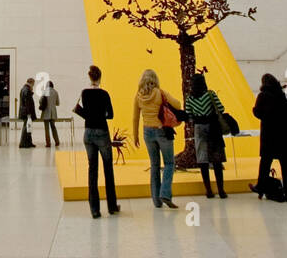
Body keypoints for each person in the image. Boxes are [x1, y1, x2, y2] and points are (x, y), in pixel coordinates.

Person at [73, 65, 119, 218]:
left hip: (88, 133)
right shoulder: (105, 94)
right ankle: (112, 206)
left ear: (90, 77)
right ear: (100, 77)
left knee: (92, 170)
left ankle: (94, 209)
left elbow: (85, 112)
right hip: (102, 132)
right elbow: (110, 115)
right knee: (108, 169)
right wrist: (101, 113)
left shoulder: (84, 93)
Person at [131, 69, 182, 209]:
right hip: (162, 131)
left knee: (154, 165)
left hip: (147, 132)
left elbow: (135, 118)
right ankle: (165, 193)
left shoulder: (138, 96)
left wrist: (135, 136)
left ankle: (156, 200)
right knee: (169, 163)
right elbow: (177, 105)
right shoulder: (160, 93)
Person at [250, 73, 287, 202]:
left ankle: (261, 186)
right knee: (286, 164)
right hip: (285, 135)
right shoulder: (284, 96)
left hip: (269, 135)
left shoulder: (263, 96)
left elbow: (258, 112)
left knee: (265, 162)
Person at [186, 71, 228, 198]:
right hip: (213, 127)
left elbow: (189, 115)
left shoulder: (190, 98)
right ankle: (221, 190)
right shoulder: (210, 94)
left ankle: (208, 190)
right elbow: (221, 108)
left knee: (202, 159)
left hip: (199, 128)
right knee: (216, 159)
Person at [39, 78, 61, 148]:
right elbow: (58, 103)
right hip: (53, 112)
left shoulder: (45, 91)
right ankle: (57, 141)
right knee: (53, 127)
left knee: (47, 129)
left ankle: (48, 143)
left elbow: (40, 101)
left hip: (46, 112)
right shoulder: (55, 92)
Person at [18, 78, 37, 148]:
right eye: (33, 84)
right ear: (31, 83)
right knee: (26, 127)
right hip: (26, 112)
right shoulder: (27, 90)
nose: (33, 86)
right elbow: (27, 103)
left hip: (24, 111)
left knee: (28, 127)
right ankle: (23, 143)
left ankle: (29, 142)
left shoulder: (24, 89)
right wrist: (29, 114)